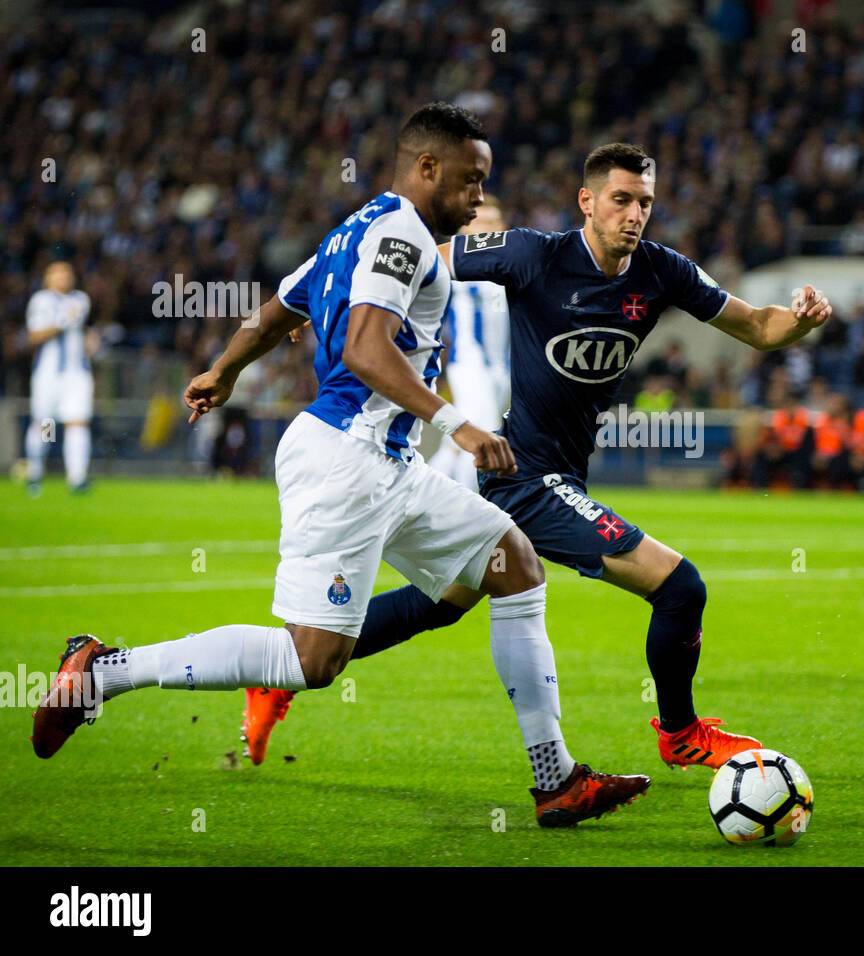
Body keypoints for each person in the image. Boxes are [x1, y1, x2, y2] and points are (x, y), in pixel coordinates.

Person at [33, 103, 649, 828]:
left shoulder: (357, 228)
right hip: (346, 461)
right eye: (468, 181)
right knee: (313, 661)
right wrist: (457, 424)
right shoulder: (403, 236)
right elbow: (363, 346)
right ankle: (103, 673)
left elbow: (279, 310)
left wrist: (224, 370)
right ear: (426, 168)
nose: (478, 198)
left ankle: (556, 779)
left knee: (513, 562)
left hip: (386, 463)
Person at [241, 142, 833, 771]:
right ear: (587, 201)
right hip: (524, 475)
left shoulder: (662, 271)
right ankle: (681, 734)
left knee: (436, 605)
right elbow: (410, 257)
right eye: (621, 200)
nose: (634, 215)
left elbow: (758, 327)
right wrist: (331, 299)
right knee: (681, 587)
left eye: (645, 204)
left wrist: (800, 319)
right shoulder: (532, 253)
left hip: (553, 472)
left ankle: (282, 672)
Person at [426, 195, 511, 489]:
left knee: (453, 445)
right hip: (471, 367)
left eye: (493, 222)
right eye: (480, 223)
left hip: (501, 370)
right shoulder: (455, 269)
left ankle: (423, 494)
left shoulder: (510, 269)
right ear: (465, 232)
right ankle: (473, 508)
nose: (487, 228)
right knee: (482, 436)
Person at [24, 261, 94, 495]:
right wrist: (63, 321)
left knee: (78, 421)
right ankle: (35, 472)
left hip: (77, 374)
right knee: (46, 424)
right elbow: (35, 335)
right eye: (58, 272)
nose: (64, 276)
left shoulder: (81, 299)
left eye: (67, 272)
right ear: (47, 277)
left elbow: (82, 329)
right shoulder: (41, 300)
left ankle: (77, 478)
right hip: (48, 374)